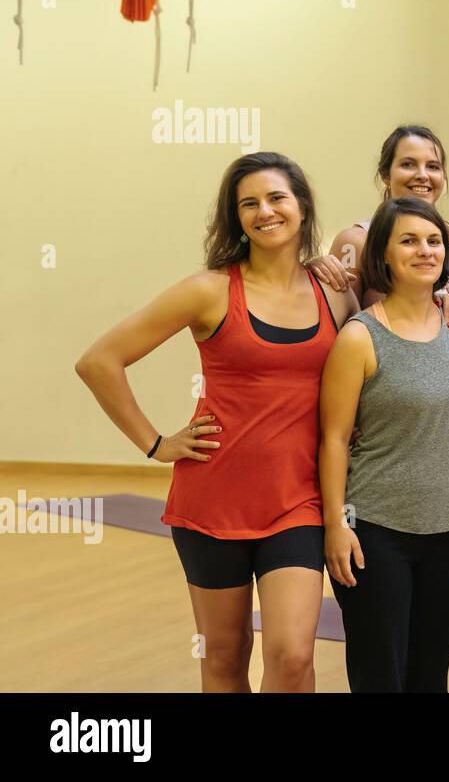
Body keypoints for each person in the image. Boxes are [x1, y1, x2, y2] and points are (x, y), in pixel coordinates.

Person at [75, 153, 356, 692]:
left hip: (298, 501)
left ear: (302, 206)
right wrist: (155, 443)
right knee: (225, 657)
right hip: (212, 501)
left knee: (293, 656)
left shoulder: (334, 293)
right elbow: (99, 361)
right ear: (236, 218)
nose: (264, 211)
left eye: (277, 198)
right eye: (248, 203)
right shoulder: (208, 290)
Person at [317, 197, 449, 693]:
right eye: (408, 241)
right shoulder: (360, 337)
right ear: (383, 255)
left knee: (429, 673)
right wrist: (336, 526)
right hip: (376, 530)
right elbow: (335, 439)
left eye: (433, 241)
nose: (425, 251)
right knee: (380, 671)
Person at [309, 125, 449, 305]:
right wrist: (306, 272)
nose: (423, 175)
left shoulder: (448, 238)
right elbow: (338, 321)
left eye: (432, 166)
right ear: (385, 175)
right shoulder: (355, 241)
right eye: (408, 164)